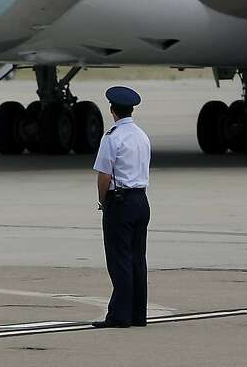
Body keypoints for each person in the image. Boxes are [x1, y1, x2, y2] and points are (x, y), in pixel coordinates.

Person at [91, 85, 152, 329]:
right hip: (141, 200)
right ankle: (139, 313)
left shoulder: (112, 138)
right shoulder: (142, 136)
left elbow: (104, 176)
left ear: (112, 110)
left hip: (120, 201)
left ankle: (119, 315)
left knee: (120, 259)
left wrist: (102, 201)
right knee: (138, 258)